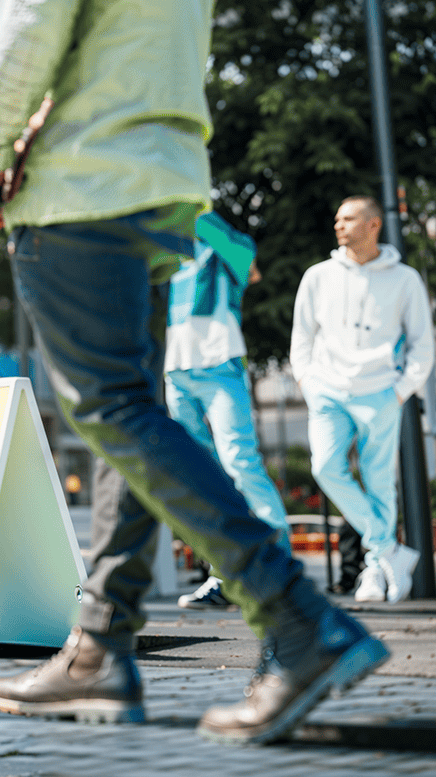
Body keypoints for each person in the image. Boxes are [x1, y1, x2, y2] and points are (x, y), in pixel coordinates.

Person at [0, 0, 385, 744]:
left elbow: (36, 1)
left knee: (111, 412)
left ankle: (298, 621)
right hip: (161, 180)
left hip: (81, 180)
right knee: (132, 417)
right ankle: (102, 650)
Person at [290, 195, 433, 603]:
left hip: (381, 392)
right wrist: (306, 381)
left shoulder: (404, 279)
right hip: (328, 391)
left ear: (373, 225)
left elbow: (423, 344)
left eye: (349, 218)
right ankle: (389, 550)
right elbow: (302, 336)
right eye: (337, 219)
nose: (339, 225)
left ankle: (376, 570)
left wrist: (400, 391)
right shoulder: (318, 276)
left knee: (378, 482)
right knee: (326, 468)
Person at [165, 211, 293, 610]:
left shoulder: (225, 255)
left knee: (240, 463)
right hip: (174, 372)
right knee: (201, 474)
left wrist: (188, 199)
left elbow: (236, 247)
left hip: (219, 368)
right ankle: (224, 575)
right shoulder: (165, 256)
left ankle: (280, 569)